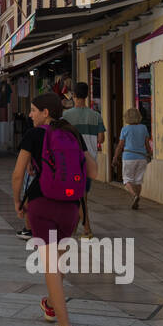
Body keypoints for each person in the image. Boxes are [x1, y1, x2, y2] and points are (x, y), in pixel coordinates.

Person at [12, 92, 99, 326]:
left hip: (42, 205)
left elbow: (17, 175)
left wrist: (17, 202)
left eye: (33, 110)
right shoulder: (72, 133)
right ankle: (50, 304)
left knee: (50, 266)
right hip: (70, 208)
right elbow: (93, 171)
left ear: (45, 112)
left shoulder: (33, 135)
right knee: (58, 263)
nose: (30, 114)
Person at [62, 82, 106, 236]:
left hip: (71, 160)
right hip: (89, 161)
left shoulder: (66, 116)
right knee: (81, 195)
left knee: (76, 196)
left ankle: (85, 229)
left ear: (73, 95)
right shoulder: (96, 115)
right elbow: (101, 138)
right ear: (87, 95)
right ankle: (79, 228)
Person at [114, 107, 153, 209]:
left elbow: (120, 145)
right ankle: (137, 198)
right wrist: (150, 154)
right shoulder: (144, 128)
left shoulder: (125, 129)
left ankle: (135, 196)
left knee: (127, 180)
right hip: (142, 158)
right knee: (138, 181)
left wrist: (115, 157)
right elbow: (147, 144)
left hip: (129, 157)